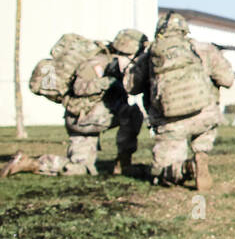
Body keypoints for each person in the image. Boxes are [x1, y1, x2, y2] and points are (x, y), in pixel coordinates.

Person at [3, 29, 146, 178]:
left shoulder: (110, 62)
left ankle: (29, 163)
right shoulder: (100, 62)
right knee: (132, 114)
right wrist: (108, 82)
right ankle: (123, 164)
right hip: (84, 119)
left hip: (82, 119)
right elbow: (79, 88)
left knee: (80, 168)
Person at [126, 11, 234, 192]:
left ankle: (187, 167)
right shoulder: (203, 49)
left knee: (162, 172)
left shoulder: (151, 53)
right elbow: (227, 80)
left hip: (171, 122)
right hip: (204, 117)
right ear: (184, 30)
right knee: (205, 129)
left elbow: (131, 87)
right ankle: (201, 153)